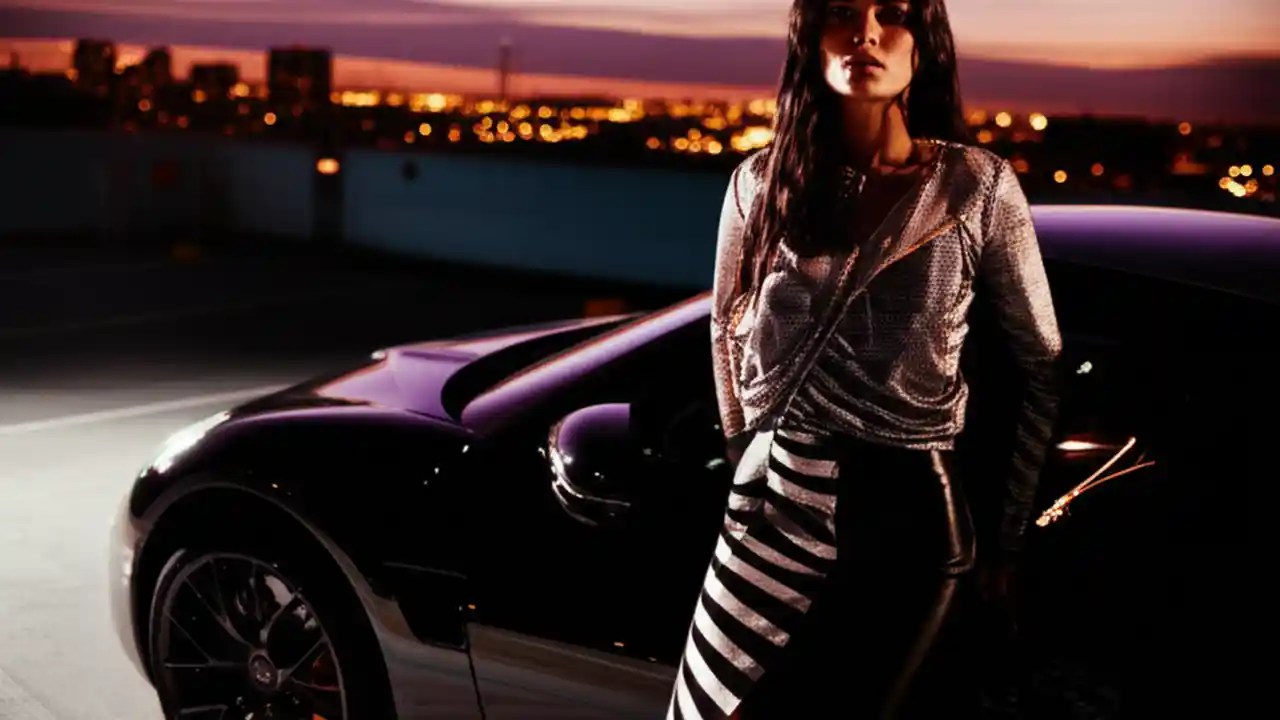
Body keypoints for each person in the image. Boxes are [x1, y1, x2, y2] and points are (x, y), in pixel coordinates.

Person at [665, 1, 1064, 718]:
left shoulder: (977, 186)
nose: (868, 32)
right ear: (809, 42)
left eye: (895, 15)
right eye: (843, 12)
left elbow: (1042, 362)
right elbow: (725, 329)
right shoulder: (759, 186)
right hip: (772, 512)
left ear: (926, 48)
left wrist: (1007, 540)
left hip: (907, 531)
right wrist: (742, 459)